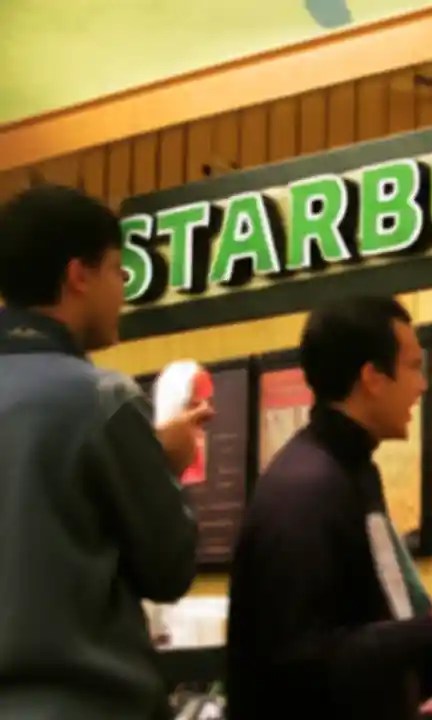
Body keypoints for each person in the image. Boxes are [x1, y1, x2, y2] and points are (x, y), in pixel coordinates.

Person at [226, 296, 432, 720]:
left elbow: (377, 658)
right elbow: (296, 664)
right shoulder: (305, 489)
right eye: (414, 367)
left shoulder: (352, 471)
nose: (423, 386)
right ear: (372, 377)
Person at [0, 185, 212, 719]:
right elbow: (168, 569)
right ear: (79, 274)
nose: (123, 287)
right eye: (118, 269)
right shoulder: (104, 401)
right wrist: (165, 466)